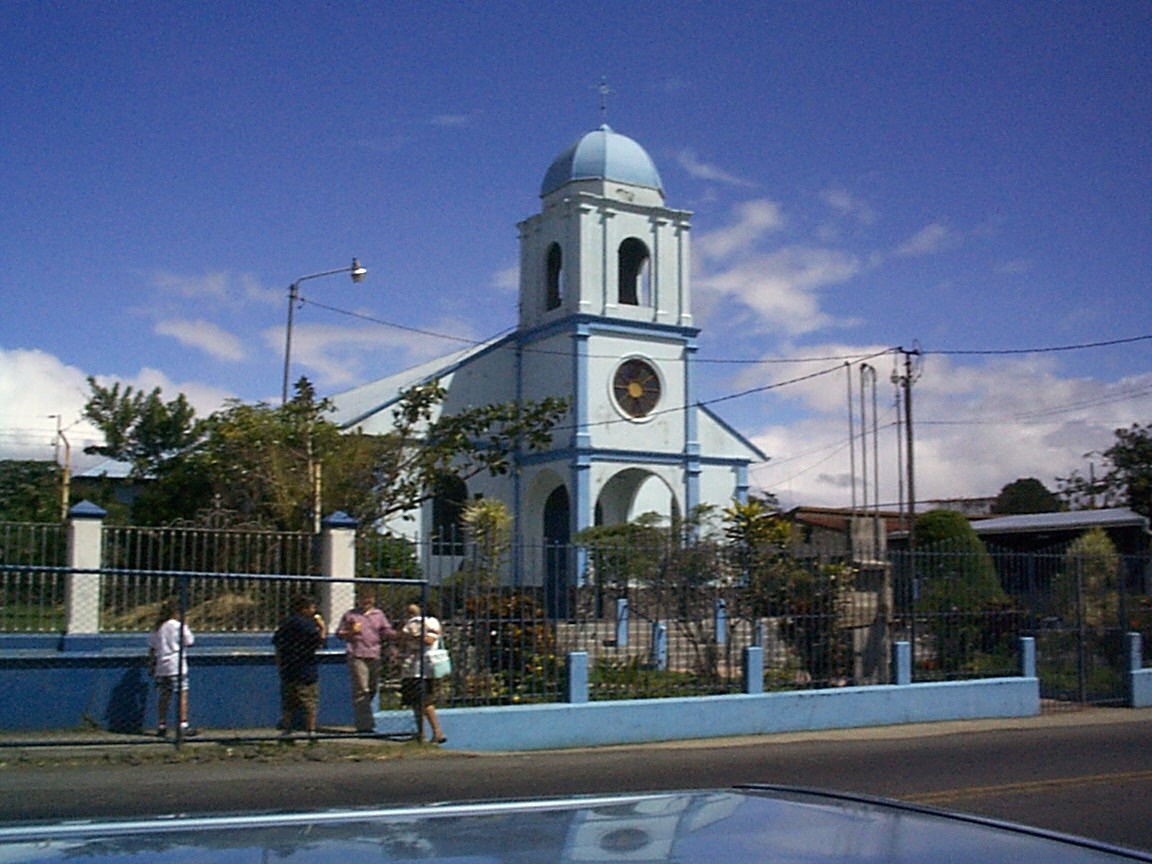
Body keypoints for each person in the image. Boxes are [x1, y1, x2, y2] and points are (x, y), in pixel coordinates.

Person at [335, 588, 395, 732]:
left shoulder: (378, 614)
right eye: (363, 598)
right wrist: (350, 632)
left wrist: (398, 635)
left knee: (372, 688)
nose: (366, 601)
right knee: (362, 690)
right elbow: (339, 633)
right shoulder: (350, 615)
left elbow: (386, 630)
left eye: (369, 598)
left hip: (374, 654)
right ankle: (365, 725)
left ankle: (365, 719)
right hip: (357, 654)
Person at [272, 594, 326, 738]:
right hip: (306, 667)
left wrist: (280, 663)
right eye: (312, 608)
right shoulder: (308, 626)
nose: (314, 611)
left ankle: (287, 729)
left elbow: (277, 643)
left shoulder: (286, 623)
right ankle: (311, 730)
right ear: (304, 609)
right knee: (309, 700)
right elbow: (319, 643)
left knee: (289, 700)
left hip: (288, 667)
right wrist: (322, 628)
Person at [147, 599, 196, 738]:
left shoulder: (158, 627)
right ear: (176, 612)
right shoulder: (178, 626)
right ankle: (183, 725)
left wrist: (151, 665)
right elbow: (190, 641)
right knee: (182, 694)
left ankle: (162, 724)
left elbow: (152, 648)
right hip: (176, 665)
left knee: (164, 696)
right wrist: (186, 626)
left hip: (162, 666)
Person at [400, 600, 447, 744]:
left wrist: (412, 636)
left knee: (425, 701)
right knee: (415, 702)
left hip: (425, 668)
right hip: (411, 668)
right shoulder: (410, 624)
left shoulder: (430, 622)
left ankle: (437, 732)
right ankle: (421, 734)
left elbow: (429, 640)